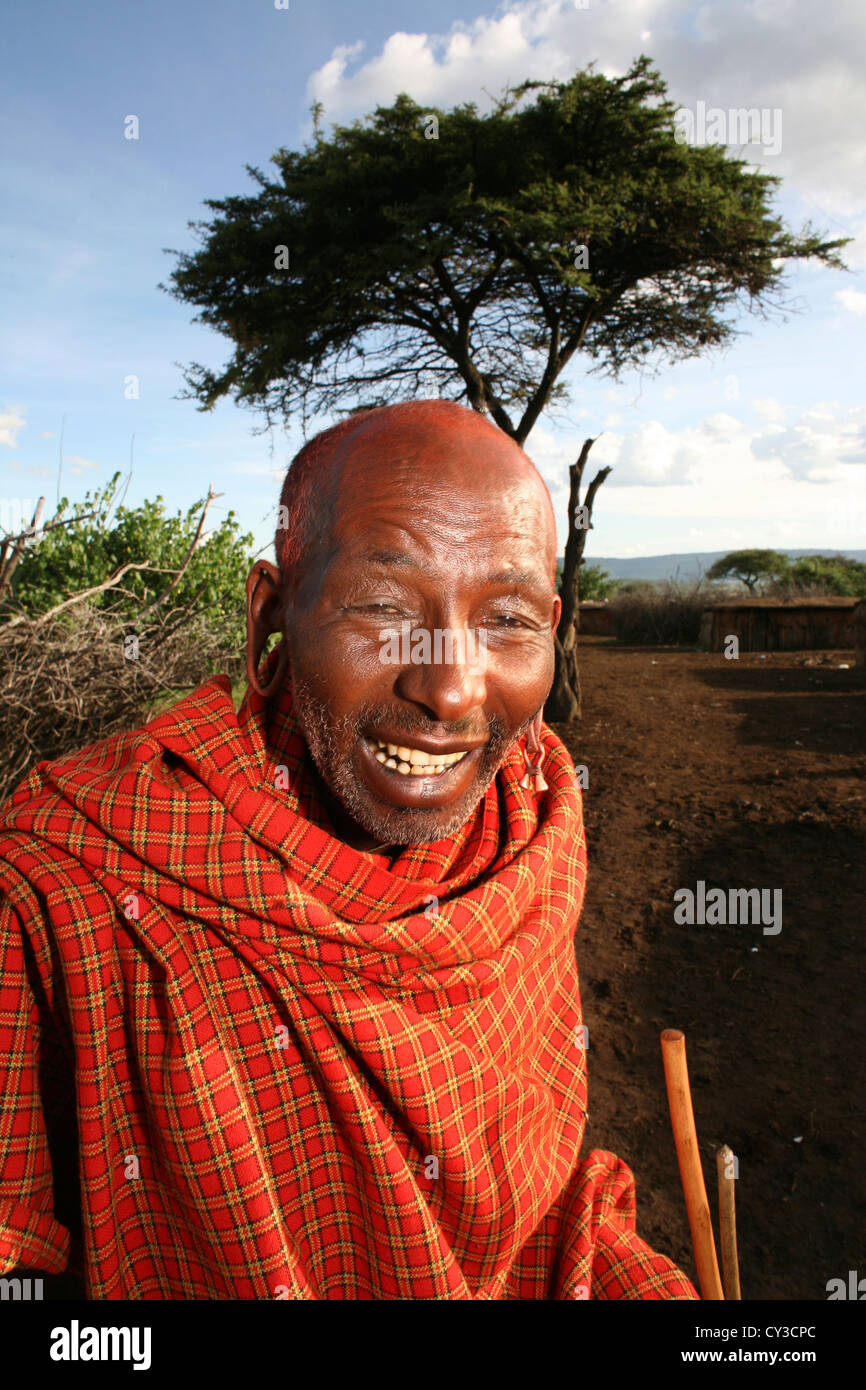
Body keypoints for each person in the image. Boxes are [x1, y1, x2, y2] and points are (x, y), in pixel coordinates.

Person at [0, 400, 697, 1299]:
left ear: (554, 629)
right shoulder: (63, 889)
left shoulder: (533, 823)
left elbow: (546, 1204)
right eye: (381, 605)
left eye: (510, 620)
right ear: (270, 619)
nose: (450, 689)